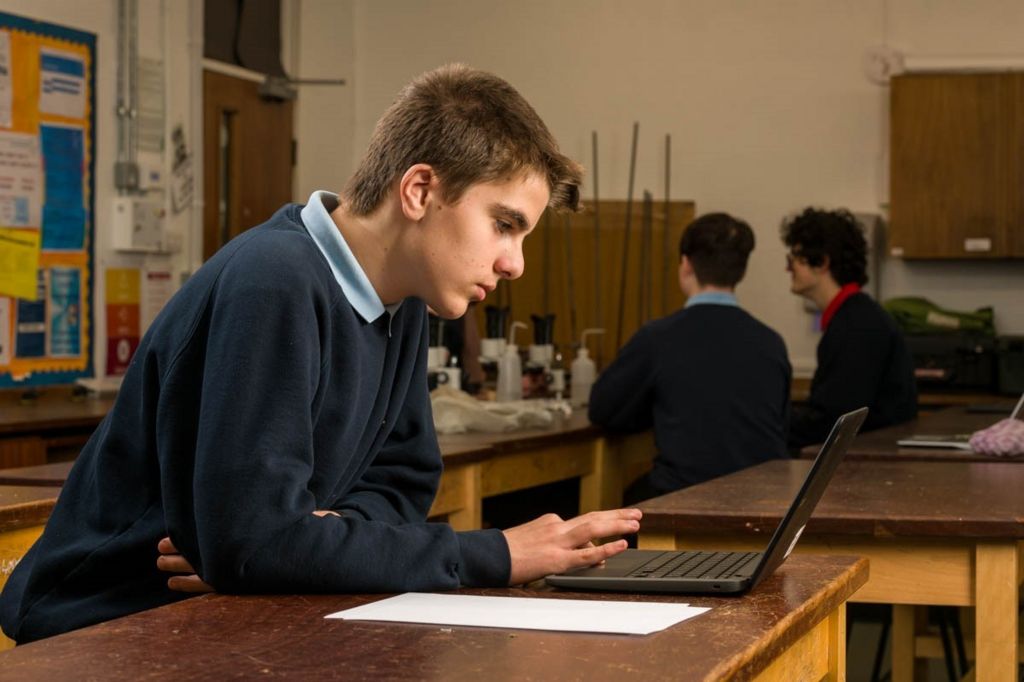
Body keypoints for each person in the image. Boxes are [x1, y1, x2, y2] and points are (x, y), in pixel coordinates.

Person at [0, 64, 641, 644]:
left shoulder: (404, 301)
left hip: (231, 612)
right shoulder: (276, 281)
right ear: (419, 190)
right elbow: (256, 545)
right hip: (101, 625)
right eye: (504, 225)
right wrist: (498, 553)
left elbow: (401, 484)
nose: (514, 264)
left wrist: (310, 545)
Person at [589, 213, 792, 504]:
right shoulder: (771, 342)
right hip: (768, 503)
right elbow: (780, 425)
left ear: (686, 264)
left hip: (685, 499)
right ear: (740, 271)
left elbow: (603, 409)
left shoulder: (658, 338)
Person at [781, 207, 917, 448]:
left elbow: (833, 421)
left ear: (821, 262)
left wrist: (771, 425)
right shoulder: (856, 316)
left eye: (792, 261)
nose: (787, 270)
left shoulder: (856, 326)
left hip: (870, 463)